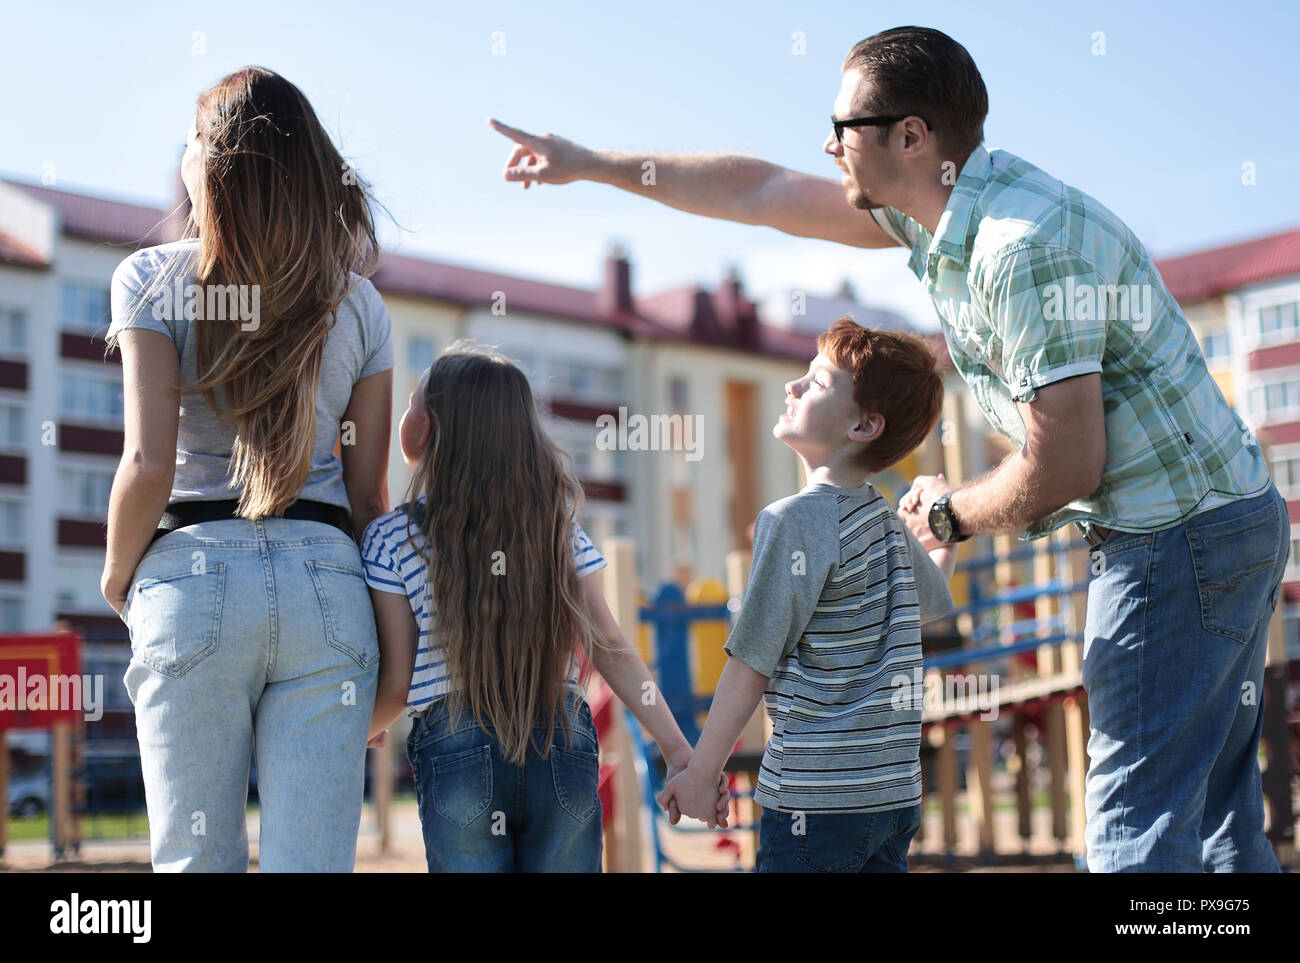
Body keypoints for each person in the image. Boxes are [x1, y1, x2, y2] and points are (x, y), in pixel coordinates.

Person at [490, 25, 1286, 874]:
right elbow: (757, 188)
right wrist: (594, 162)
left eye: (842, 127)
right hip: (1220, 518)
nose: (826, 145)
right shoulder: (937, 214)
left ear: (911, 135)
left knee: (1138, 832)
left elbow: (1066, 466)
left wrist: (947, 510)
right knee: (1216, 832)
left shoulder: (1018, 250)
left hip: (1177, 541)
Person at [102, 66, 393, 872]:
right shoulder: (359, 302)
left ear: (218, 164)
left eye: (195, 141)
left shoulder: (151, 279)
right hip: (329, 586)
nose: (185, 155)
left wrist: (119, 575)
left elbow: (147, 462)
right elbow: (371, 497)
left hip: (188, 580)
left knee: (196, 863)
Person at [361, 343, 727, 872]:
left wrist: (360, 728)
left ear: (430, 429)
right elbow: (610, 645)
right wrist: (677, 750)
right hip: (563, 739)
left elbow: (398, 682)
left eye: (414, 399)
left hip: (455, 747)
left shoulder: (391, 538)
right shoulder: (554, 530)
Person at [658, 319, 956, 872]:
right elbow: (932, 598)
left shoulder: (793, 520)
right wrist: (944, 526)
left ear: (865, 425)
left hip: (814, 801)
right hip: (892, 795)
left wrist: (702, 773)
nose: (791, 387)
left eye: (817, 382)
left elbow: (751, 660)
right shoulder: (886, 524)